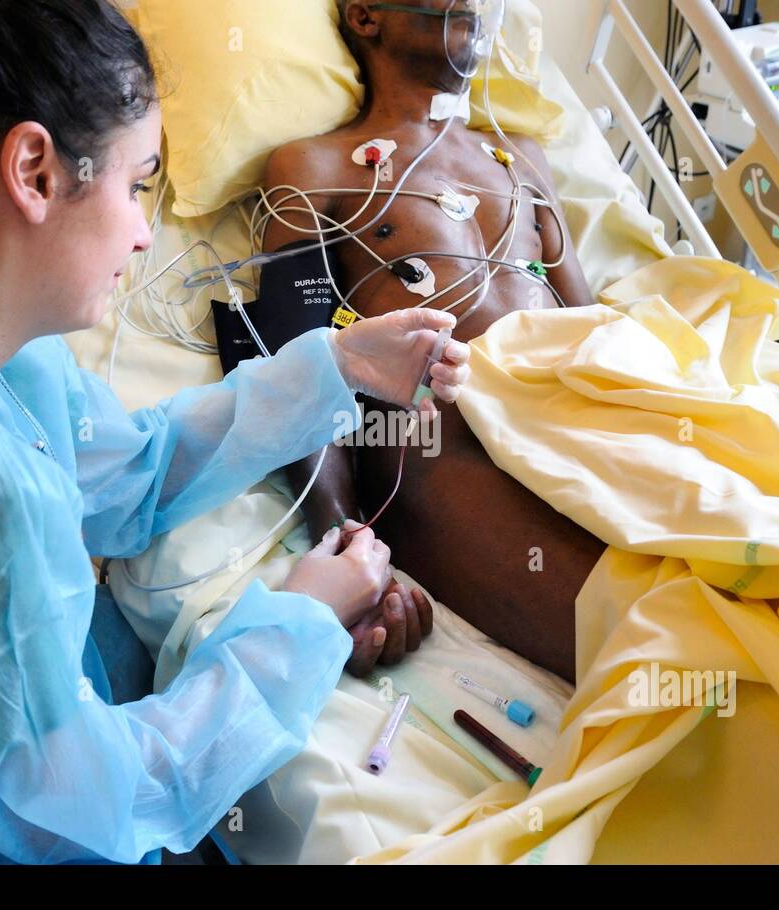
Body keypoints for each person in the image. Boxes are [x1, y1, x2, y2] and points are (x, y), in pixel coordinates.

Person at [0, 0, 469, 864]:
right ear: (36, 172)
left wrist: (337, 364)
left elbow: (129, 473)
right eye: (137, 183)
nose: (144, 231)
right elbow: (83, 806)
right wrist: (298, 624)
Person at [249, 0, 604, 682]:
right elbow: (300, 372)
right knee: (660, 625)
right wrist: (350, 545)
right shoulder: (317, 169)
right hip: (455, 444)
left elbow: (597, 334)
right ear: (365, 17)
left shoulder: (523, 161)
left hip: (583, 420)